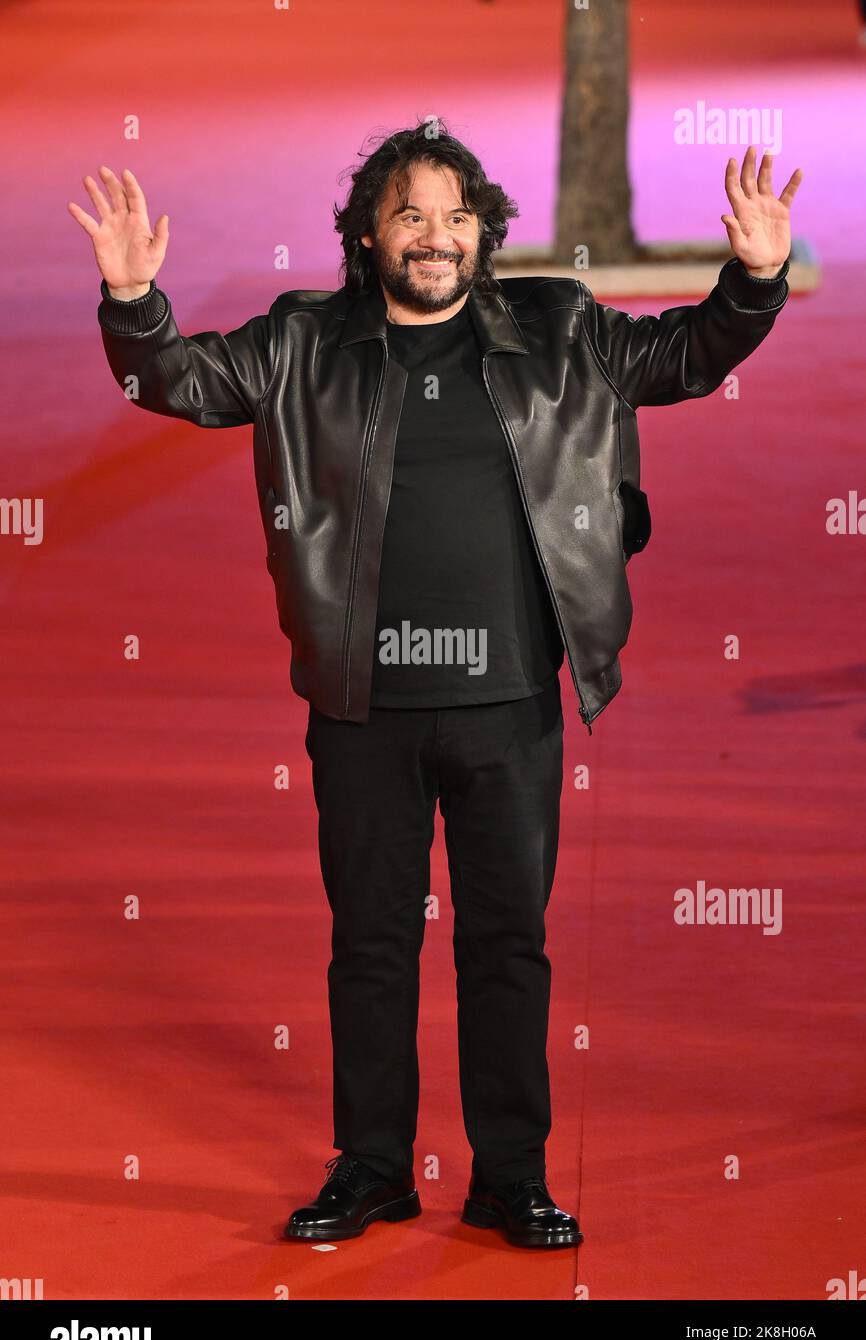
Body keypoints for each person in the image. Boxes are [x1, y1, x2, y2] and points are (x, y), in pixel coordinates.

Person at [68, 121, 801, 1248]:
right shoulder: (304, 340)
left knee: (506, 941)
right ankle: (370, 1168)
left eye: (456, 217)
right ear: (370, 233)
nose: (436, 237)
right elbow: (178, 379)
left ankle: (511, 1174)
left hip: (508, 701)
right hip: (360, 705)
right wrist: (133, 302)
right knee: (368, 941)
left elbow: (683, 358)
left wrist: (752, 279)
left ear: (482, 233)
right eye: (410, 215)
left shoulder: (556, 329)